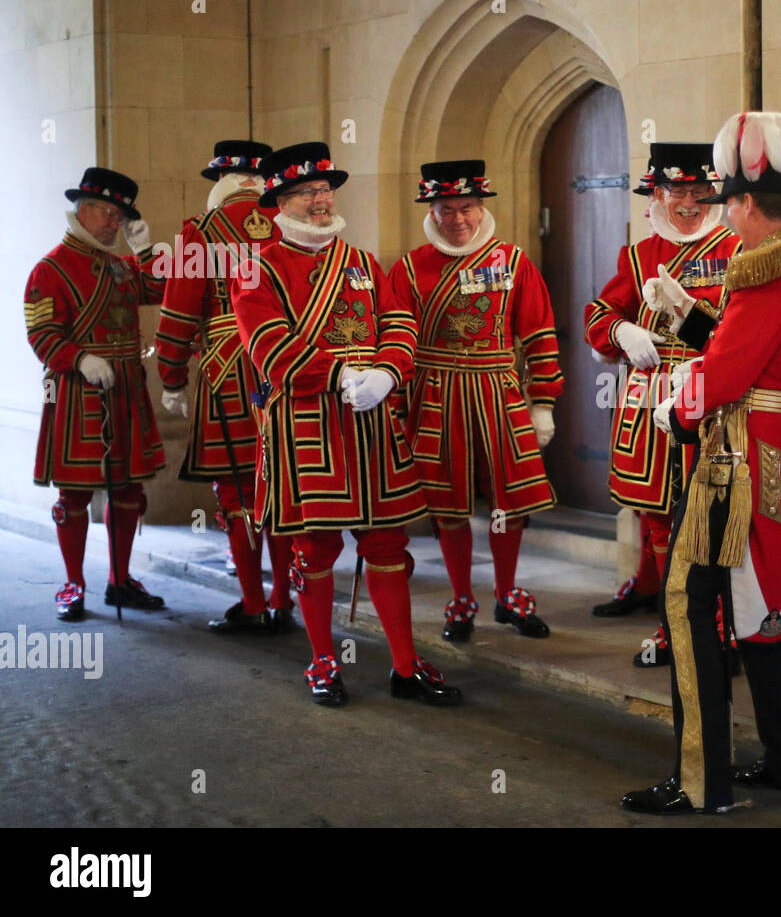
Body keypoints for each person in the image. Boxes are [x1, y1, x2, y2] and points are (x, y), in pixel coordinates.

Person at [620, 111, 781, 814]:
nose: (726, 218)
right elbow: (754, 347)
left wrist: (678, 410)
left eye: (728, 204)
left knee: (686, 609)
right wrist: (687, 314)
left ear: (746, 202)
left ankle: (700, 781)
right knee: (762, 622)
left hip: (739, 463)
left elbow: (726, 375)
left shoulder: (766, 265)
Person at [230, 142, 459, 708]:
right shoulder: (255, 267)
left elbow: (399, 321)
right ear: (280, 201)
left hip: (371, 422)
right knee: (316, 548)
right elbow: (268, 347)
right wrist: (337, 374)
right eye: (308, 191)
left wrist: (387, 370)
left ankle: (404, 666)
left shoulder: (360, 262)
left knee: (387, 543)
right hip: (307, 423)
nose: (321, 200)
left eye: (326, 190)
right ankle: (323, 661)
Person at [391, 160, 564, 642]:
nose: (459, 219)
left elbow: (539, 334)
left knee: (509, 503)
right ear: (433, 210)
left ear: (481, 206)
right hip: (435, 396)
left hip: (499, 394)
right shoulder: (409, 268)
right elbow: (395, 343)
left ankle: (507, 593)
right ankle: (461, 596)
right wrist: (395, 407)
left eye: (467, 207)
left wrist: (543, 401)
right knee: (449, 507)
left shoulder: (513, 262)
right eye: (447, 209)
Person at [583, 142, 740, 670]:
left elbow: (742, 335)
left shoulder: (737, 249)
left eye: (701, 191)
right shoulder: (639, 254)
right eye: (679, 190)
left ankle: (718, 628)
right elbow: (597, 316)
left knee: (712, 520)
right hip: (648, 405)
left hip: (711, 400)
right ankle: (672, 623)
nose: (690, 202)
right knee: (657, 518)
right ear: (659, 193)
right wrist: (622, 330)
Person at [155, 139, 296, 634]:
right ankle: (283, 595)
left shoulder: (202, 230)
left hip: (228, 369)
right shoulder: (290, 221)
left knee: (237, 488)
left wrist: (171, 377)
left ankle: (254, 603)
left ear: (223, 180)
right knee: (279, 483)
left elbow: (176, 315)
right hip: (286, 366)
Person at [24, 167, 165, 621]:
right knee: (74, 498)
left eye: (119, 216)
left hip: (125, 387)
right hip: (78, 392)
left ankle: (120, 580)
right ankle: (73, 583)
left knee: (129, 490)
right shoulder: (49, 269)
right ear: (82, 211)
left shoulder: (121, 265)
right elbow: (41, 332)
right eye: (107, 213)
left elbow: (160, 289)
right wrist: (80, 359)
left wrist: (146, 249)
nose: (113, 223)